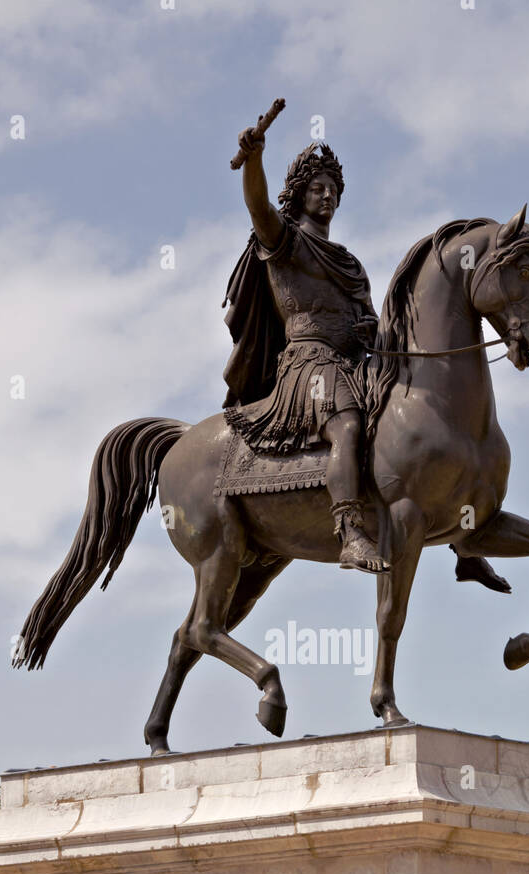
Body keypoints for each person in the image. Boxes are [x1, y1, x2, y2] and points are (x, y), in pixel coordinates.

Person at [222, 130, 388, 574]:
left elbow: (368, 316)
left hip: (354, 361)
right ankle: (351, 532)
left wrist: (370, 328)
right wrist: (255, 160)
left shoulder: (351, 263)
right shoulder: (286, 241)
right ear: (299, 194)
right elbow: (257, 205)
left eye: (333, 190)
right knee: (348, 424)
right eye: (317, 188)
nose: (327, 195)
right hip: (308, 364)